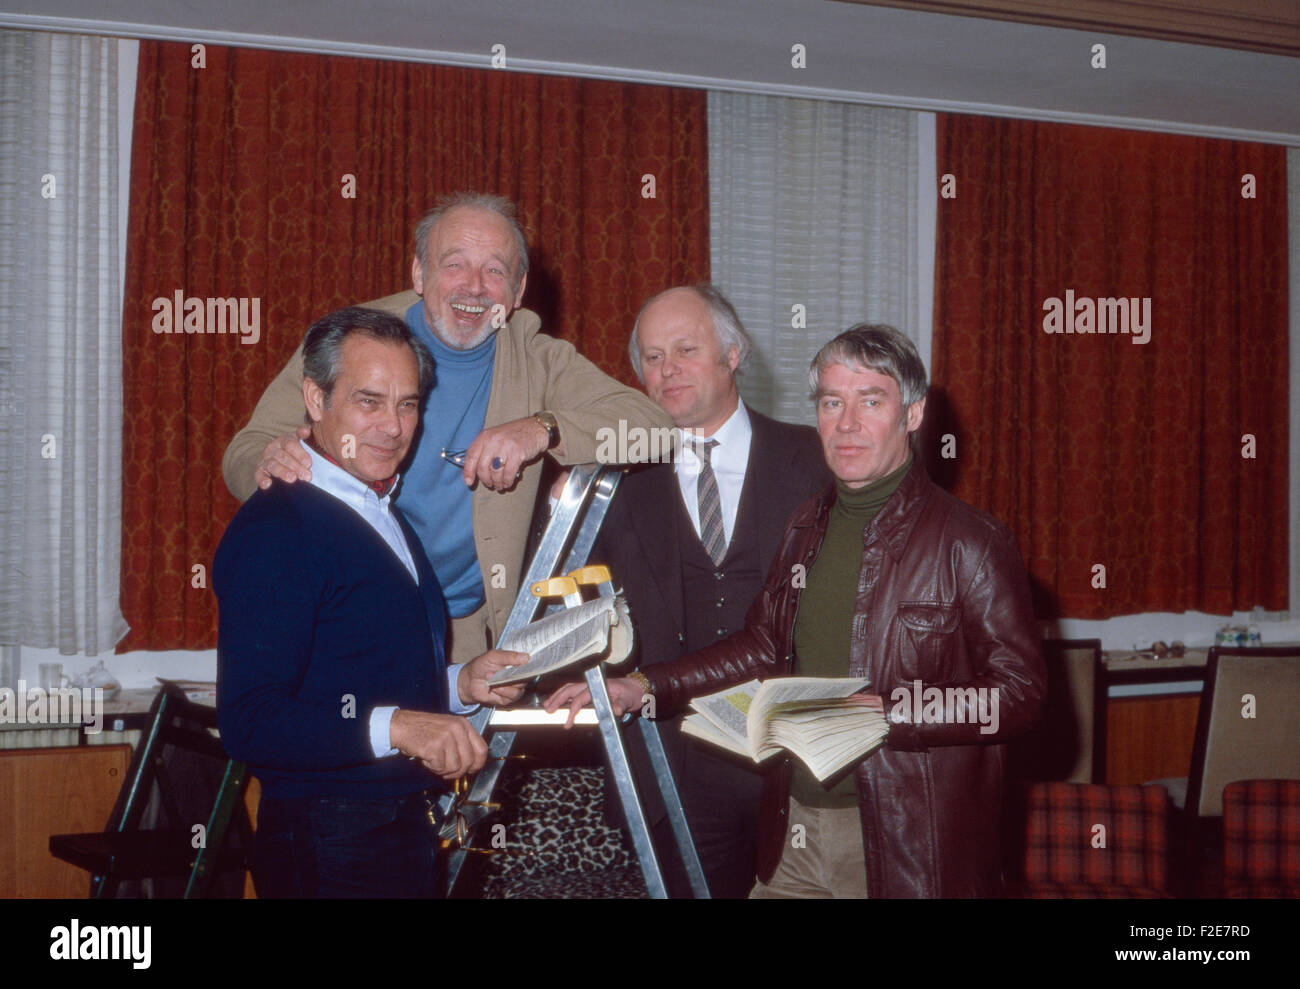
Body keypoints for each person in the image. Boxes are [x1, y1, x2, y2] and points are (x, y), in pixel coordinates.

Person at [548, 323, 1045, 898]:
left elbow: (1021, 695)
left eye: (871, 401)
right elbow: (761, 643)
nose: (847, 423)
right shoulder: (807, 525)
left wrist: (891, 712)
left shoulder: (970, 542)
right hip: (792, 828)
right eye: (832, 402)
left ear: (912, 414)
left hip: (904, 840)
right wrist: (643, 685)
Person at [221, 193, 671, 666]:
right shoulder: (352, 340)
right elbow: (243, 454)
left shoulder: (539, 359)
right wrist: (270, 462)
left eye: (495, 271)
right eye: (454, 264)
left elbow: (656, 431)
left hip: (462, 633)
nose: (474, 287)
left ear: (517, 292)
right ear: (419, 274)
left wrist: (543, 429)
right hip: (344, 617)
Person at [215, 307, 526, 898]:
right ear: (315, 398)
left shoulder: (380, 510)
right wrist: (402, 728)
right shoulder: (278, 527)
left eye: (407, 404)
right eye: (369, 401)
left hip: (395, 823)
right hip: (326, 838)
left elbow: (357, 675)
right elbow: (250, 722)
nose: (392, 426)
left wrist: (460, 684)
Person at [592, 285, 828, 897]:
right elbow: (577, 603)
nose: (666, 369)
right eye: (651, 356)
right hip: (676, 767)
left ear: (733, 353)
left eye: (686, 349)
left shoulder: (818, 460)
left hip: (802, 766)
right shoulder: (613, 478)